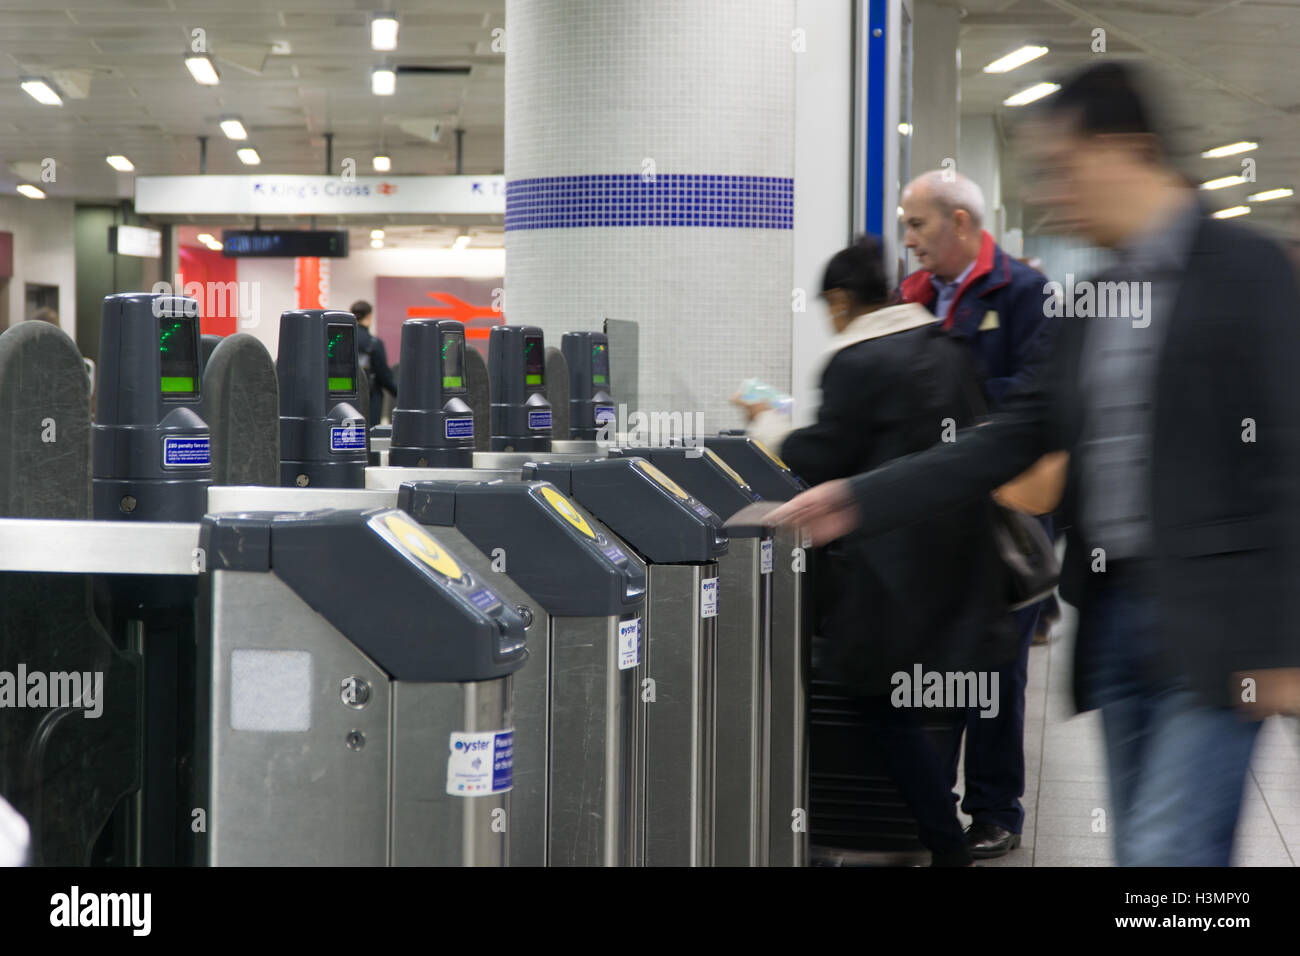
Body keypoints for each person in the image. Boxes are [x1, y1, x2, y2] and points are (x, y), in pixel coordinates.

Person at [770, 62, 1300, 866]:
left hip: (1215, 624)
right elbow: (1007, 435)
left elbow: (1286, 457)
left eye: (1065, 169)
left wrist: (1282, 639)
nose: (1055, 195)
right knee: (1155, 857)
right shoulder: (1091, 300)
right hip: (1117, 619)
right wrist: (855, 499)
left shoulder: (1245, 271)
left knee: (1169, 855)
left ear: (1128, 148)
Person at [737, 235, 1018, 866]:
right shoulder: (945, 348)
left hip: (894, 573)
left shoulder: (857, 361)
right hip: (963, 562)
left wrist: (768, 422)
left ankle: (944, 843)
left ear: (840, 300)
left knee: (883, 706)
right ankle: (955, 828)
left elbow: (822, 456)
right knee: (935, 699)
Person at [895, 168, 1058, 859]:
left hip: (1005, 516)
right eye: (906, 225)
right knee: (934, 663)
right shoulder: (913, 297)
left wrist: (952, 426)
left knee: (995, 666)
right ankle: (931, 810)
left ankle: (995, 809)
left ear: (961, 223)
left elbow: (1037, 394)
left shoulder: (1022, 292)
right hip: (935, 513)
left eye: (918, 224)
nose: (909, 241)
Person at [350, 300, 396, 429]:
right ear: (369, 316)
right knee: (370, 436)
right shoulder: (374, 343)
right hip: (370, 398)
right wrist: (399, 393)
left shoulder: (341, 339)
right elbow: (384, 376)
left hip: (347, 396)